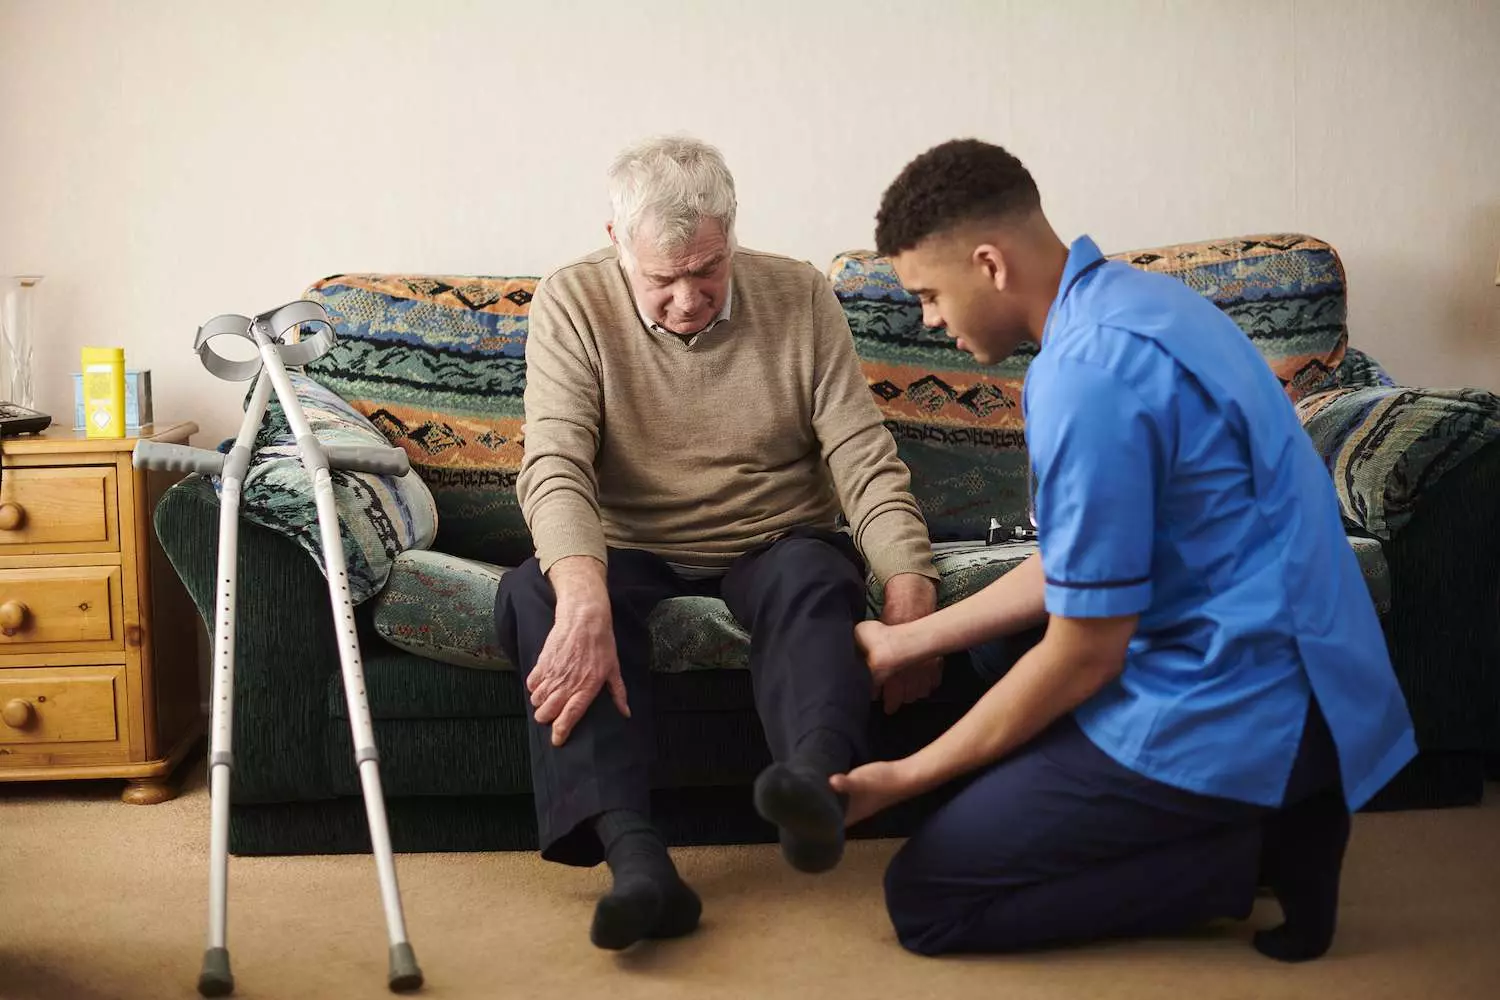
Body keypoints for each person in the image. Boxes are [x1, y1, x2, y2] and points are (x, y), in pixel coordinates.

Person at [831, 139, 1418, 962]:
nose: (930, 319)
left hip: (1243, 699)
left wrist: (905, 777)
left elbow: (1084, 653)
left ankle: (1253, 852)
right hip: (1315, 670)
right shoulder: (1145, 303)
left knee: (927, 896)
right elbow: (1082, 560)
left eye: (929, 294)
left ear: (989, 264)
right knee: (999, 651)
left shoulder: (1082, 375)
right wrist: (905, 639)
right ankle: (1274, 809)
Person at [494, 135, 941, 951]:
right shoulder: (572, 299)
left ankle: (813, 785)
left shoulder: (799, 294)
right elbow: (554, 461)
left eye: (708, 270)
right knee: (536, 590)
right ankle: (638, 864)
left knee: (816, 570)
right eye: (662, 279)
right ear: (616, 244)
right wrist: (583, 592)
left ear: (732, 235)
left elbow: (860, 455)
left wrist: (911, 585)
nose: (689, 298)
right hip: (629, 540)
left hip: (769, 532)